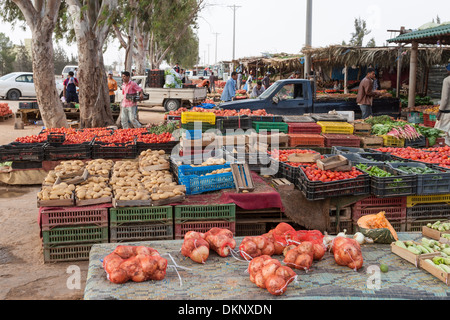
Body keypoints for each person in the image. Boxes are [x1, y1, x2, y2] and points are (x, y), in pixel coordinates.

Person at [435, 63, 450, 145]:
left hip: (447, 112)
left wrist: (440, 111)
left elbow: (445, 98)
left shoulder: (447, 80)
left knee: (442, 133)